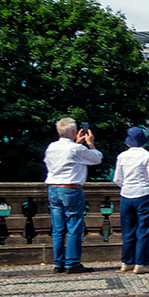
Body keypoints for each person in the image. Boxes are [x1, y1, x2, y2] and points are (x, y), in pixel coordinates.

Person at [44, 117, 103, 274]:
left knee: (58, 228)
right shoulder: (76, 149)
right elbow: (97, 158)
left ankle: (59, 263)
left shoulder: (51, 147)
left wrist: (77, 143)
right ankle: (72, 263)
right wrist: (90, 143)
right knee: (74, 226)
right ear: (73, 132)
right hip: (70, 189)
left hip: (53, 188)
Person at [112, 126, 149, 274]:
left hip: (126, 195)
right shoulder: (147, 156)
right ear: (143, 141)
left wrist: (128, 185)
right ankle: (141, 263)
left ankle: (127, 262)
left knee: (128, 230)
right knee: (143, 230)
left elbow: (117, 179)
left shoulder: (121, 156)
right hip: (145, 195)